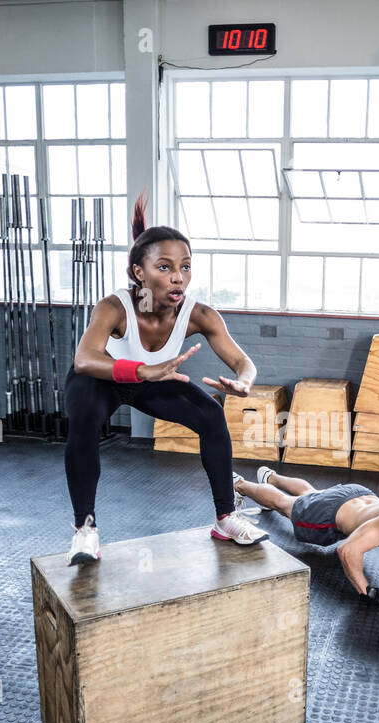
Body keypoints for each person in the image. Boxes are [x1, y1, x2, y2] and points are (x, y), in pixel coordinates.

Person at [65, 189, 267, 564]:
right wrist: (142, 369)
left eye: (185, 267)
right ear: (139, 272)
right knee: (84, 421)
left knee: (210, 415)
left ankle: (226, 518)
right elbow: (84, 359)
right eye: (165, 267)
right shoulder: (115, 307)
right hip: (101, 380)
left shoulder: (198, 314)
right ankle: (85, 529)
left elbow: (243, 361)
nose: (178, 278)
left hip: (150, 384)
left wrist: (244, 381)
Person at [230, 468, 379, 609]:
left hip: (357, 496)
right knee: (286, 505)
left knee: (311, 494)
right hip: (329, 516)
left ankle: (271, 476)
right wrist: (367, 590)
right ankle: (239, 484)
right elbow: (347, 550)